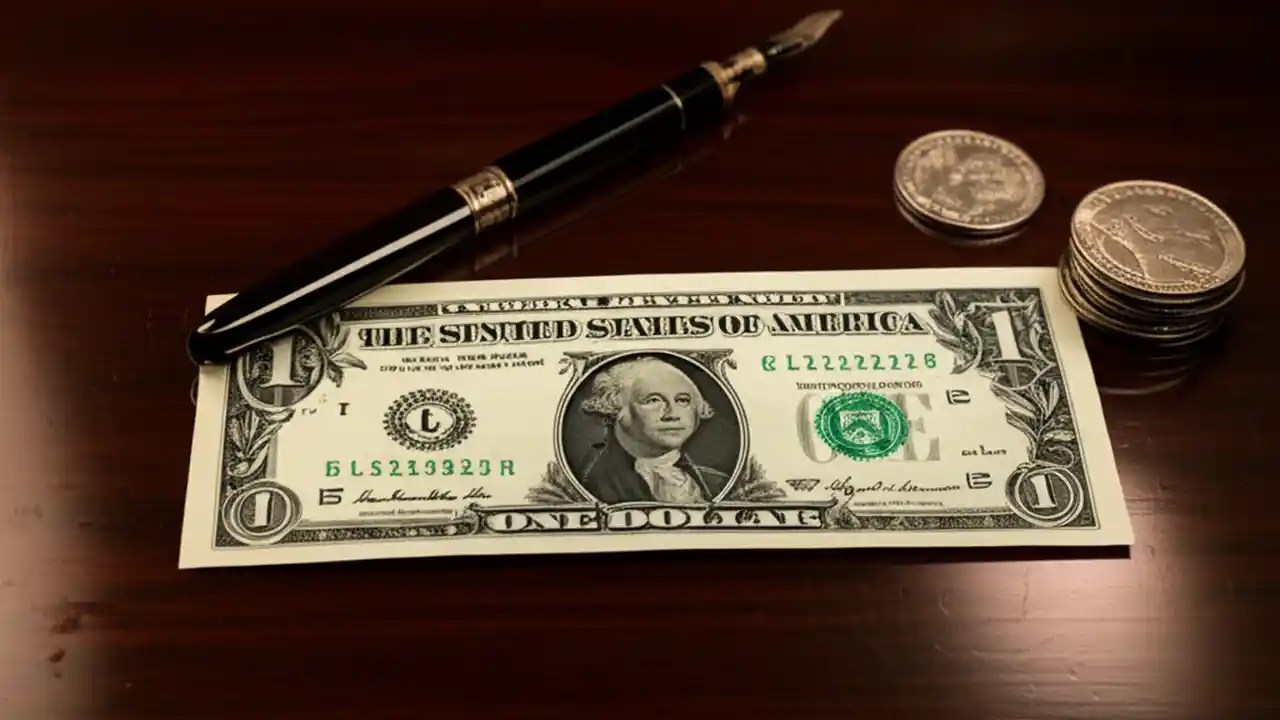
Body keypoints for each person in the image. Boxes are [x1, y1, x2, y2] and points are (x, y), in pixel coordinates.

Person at [576, 356, 730, 504]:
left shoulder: (719, 483)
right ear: (614, 408)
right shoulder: (587, 484)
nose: (672, 415)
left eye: (683, 400)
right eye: (653, 400)